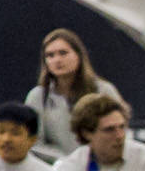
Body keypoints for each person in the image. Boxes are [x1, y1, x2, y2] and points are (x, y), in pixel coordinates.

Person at [28, 28, 117, 159]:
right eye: (50, 55)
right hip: (55, 170)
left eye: (63, 53)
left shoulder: (103, 91)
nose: (57, 60)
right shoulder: (37, 96)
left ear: (79, 55)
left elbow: (118, 133)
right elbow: (34, 143)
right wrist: (69, 163)